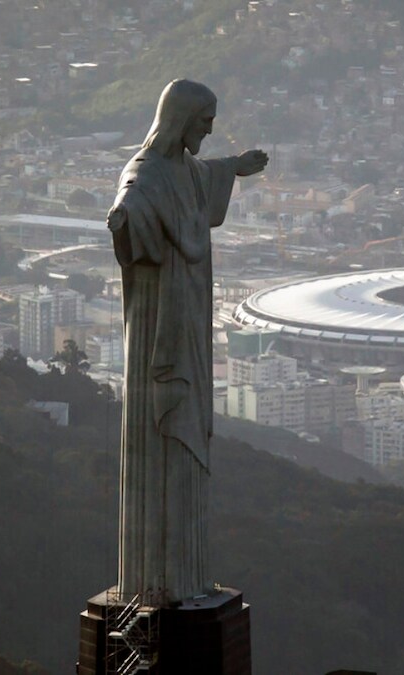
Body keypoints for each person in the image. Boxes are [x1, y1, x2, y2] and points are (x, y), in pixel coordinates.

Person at [107, 79, 267, 604]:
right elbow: (132, 198)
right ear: (180, 120)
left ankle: (185, 579)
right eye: (203, 122)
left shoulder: (184, 170)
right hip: (159, 321)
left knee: (189, 434)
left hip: (189, 317)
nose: (209, 130)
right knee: (160, 438)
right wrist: (124, 218)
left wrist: (233, 167)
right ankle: (157, 584)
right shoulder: (147, 174)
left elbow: (202, 177)